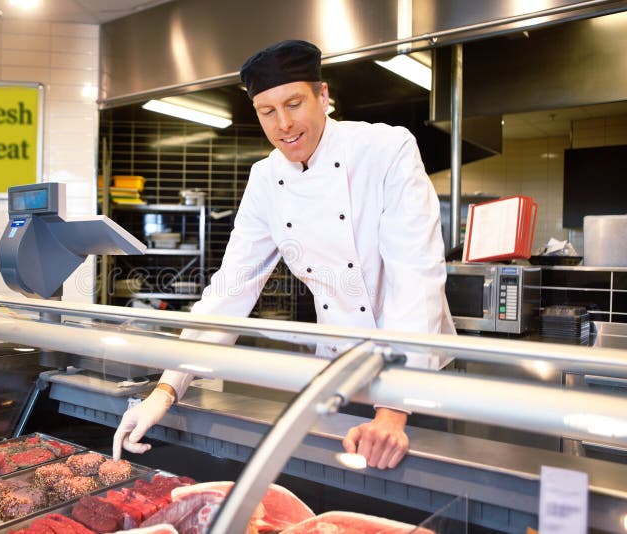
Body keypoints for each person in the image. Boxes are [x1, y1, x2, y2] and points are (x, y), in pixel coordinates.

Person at [113, 39, 455, 470]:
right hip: (341, 372)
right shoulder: (265, 178)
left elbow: (414, 276)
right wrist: (167, 388)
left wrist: (393, 408)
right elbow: (231, 288)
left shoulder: (386, 150)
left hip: (414, 377)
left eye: (294, 104)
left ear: (323, 96)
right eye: (267, 111)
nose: (284, 124)